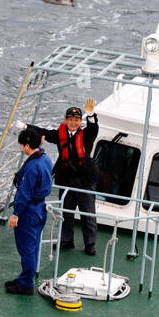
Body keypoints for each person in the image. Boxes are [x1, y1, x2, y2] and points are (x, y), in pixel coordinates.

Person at [38, 103, 99, 256]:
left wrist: (91, 115)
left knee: (88, 214)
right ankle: (66, 241)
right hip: (67, 180)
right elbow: (43, 132)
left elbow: (93, 129)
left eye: (77, 119)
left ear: (80, 122)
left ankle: (90, 245)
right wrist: (26, 127)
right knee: (66, 213)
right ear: (66, 120)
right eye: (70, 119)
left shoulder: (86, 135)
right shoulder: (60, 135)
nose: (73, 122)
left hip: (85, 181)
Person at [6, 126, 53, 294]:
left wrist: (15, 214)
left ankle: (26, 284)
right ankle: (25, 277)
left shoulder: (32, 167)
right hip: (41, 208)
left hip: (29, 211)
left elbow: (24, 193)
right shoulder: (46, 159)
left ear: (27, 144)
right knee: (34, 246)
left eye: (22, 144)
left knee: (26, 248)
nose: (21, 148)